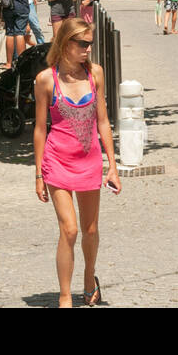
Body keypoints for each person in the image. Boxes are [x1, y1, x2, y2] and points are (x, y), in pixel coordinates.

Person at [33, 17, 121, 308]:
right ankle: (65, 295)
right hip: (56, 160)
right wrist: (38, 173)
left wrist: (113, 165)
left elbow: (104, 120)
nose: (87, 49)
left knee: (91, 230)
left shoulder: (95, 73)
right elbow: (40, 128)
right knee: (69, 229)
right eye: (82, 43)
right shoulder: (46, 79)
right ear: (65, 44)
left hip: (89, 160)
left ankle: (89, 277)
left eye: (90, 44)